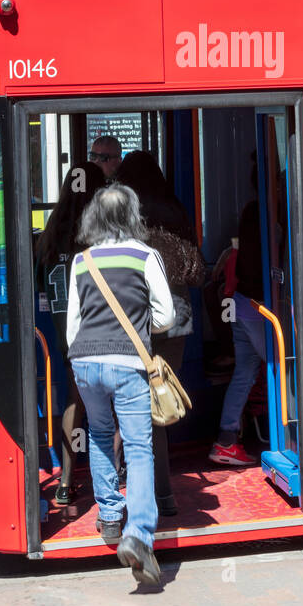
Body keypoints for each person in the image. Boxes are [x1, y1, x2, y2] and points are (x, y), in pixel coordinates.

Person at [67, 183, 175, 586]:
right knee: (138, 446)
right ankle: (138, 534)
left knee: (98, 434)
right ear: (134, 216)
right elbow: (165, 317)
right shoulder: (145, 256)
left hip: (85, 362)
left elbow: (73, 326)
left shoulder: (81, 261)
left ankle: (110, 517)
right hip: (128, 364)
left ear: (94, 217)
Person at [117, 150, 206, 516]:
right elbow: (196, 271)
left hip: (138, 320)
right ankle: (163, 494)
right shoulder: (176, 210)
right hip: (178, 318)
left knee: (133, 405)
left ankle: (144, 489)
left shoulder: (128, 217)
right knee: (160, 403)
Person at [35, 162, 105, 506]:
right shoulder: (95, 235)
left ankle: (64, 481)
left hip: (62, 333)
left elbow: (38, 285)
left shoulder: (50, 233)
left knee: (73, 402)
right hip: (95, 326)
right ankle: (113, 475)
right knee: (112, 400)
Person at [210, 184, 267, 467]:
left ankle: (227, 439)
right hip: (259, 307)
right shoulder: (270, 212)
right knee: (285, 363)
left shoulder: (249, 211)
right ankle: (299, 436)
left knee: (245, 370)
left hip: (241, 302)